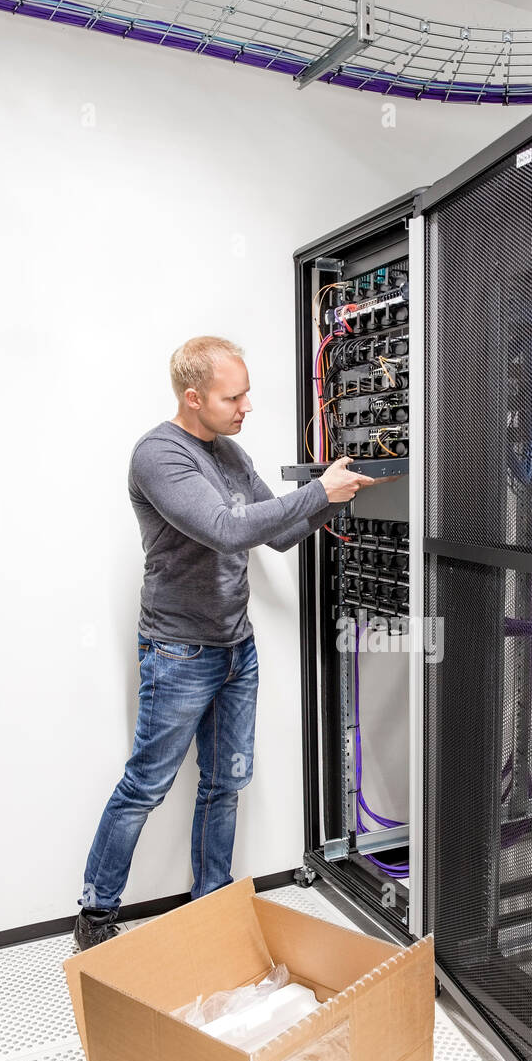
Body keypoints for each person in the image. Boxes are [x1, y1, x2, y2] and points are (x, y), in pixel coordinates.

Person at [73, 335, 374, 951]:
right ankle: (96, 913)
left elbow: (281, 533)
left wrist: (333, 495)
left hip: (237, 647)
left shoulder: (229, 452)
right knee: (145, 786)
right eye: (232, 396)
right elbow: (225, 529)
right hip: (179, 652)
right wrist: (318, 494)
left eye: (246, 393)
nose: (246, 406)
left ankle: (210, 903)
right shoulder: (158, 456)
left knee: (226, 781)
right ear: (192, 397)